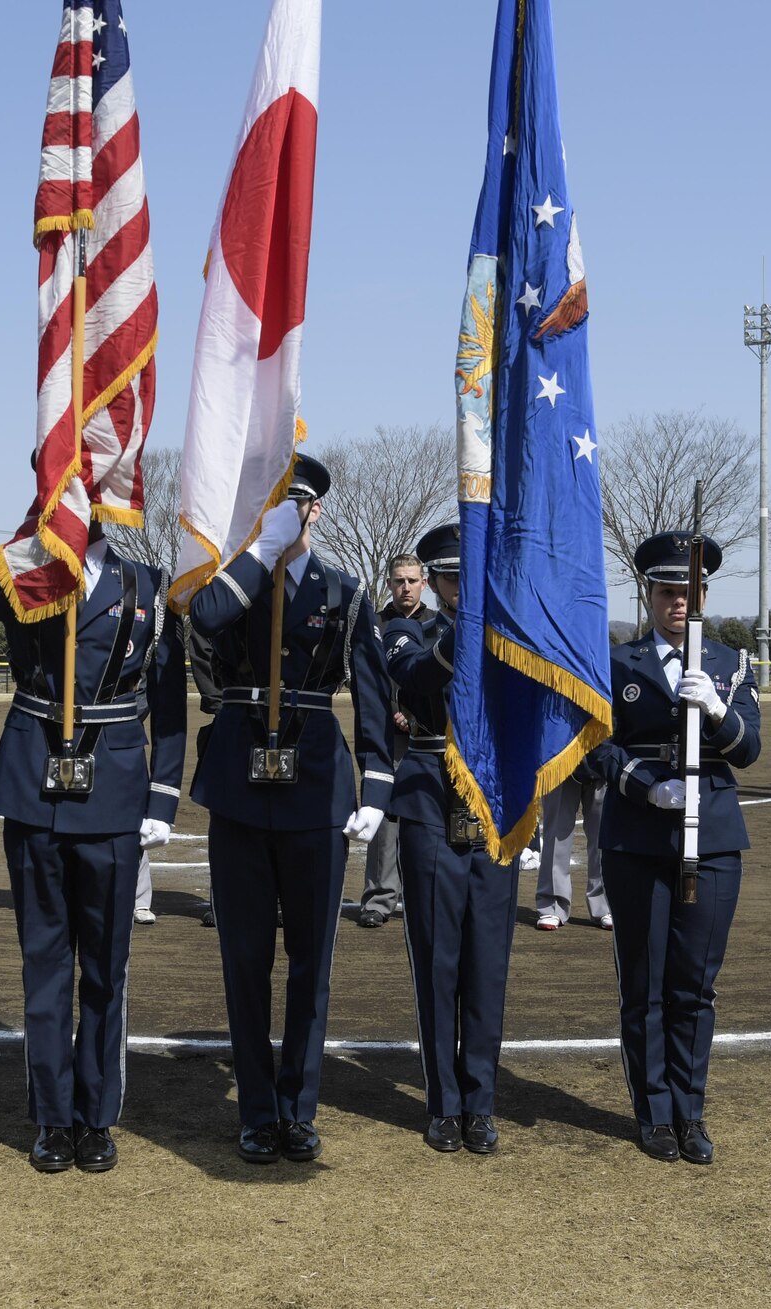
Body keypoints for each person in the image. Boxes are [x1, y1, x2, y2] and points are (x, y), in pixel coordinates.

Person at [0, 520, 187, 1174]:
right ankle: (53, 1117)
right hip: (33, 787)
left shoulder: (147, 584)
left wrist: (163, 795)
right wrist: (36, 537)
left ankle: (97, 1115)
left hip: (112, 788)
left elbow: (167, 697)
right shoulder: (31, 569)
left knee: (106, 970)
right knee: (45, 967)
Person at [185, 454, 394, 1166]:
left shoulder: (344, 590)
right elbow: (204, 619)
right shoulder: (235, 582)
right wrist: (259, 550)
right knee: (245, 959)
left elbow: (372, 693)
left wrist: (378, 784)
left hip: (314, 783)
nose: (293, 512)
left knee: (312, 959)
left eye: (300, 502)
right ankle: (254, 1108)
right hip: (240, 786)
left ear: (318, 510)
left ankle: (298, 1108)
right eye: (278, 502)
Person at [585, 530, 760, 1166]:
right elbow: (594, 748)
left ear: (704, 596)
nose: (678, 604)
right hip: (638, 835)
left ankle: (691, 1109)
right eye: (666, 593)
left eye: (689, 593)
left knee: (694, 984)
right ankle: (653, 1111)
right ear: (649, 596)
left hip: (712, 838)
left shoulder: (731, 664)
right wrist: (643, 785)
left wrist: (716, 708)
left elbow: (749, 751)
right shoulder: (616, 664)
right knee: (645, 981)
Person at [383, 522, 517, 1154]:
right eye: (451, 578)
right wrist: (466, 638)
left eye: (472, 575)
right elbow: (412, 678)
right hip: (432, 797)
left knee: (487, 962)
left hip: (492, 804)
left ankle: (481, 1103)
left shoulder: (510, 636)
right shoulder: (413, 630)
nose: (462, 587)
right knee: (438, 959)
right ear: (433, 584)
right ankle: (444, 1101)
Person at [358, 553, 426, 929]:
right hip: (384, 735)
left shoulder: (437, 626)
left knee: (425, 820)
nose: (405, 587)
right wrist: (392, 710)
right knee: (383, 819)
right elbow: (367, 680)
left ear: (424, 583)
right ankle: (380, 899)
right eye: (399, 581)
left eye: (412, 580)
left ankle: (420, 896)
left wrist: (415, 713)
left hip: (430, 739)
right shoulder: (374, 625)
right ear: (389, 584)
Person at [535, 764, 611, 930]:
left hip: (601, 750)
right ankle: (552, 904)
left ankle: (606, 904)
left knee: (604, 834)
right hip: (560, 752)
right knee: (556, 831)